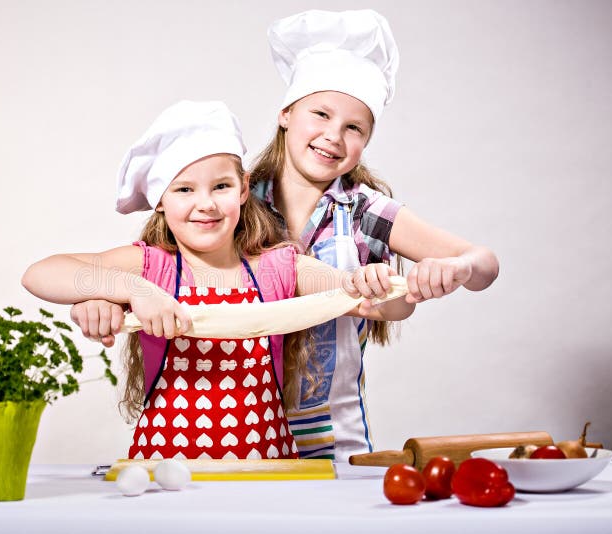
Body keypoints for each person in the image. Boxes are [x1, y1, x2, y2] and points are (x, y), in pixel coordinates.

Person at [21, 100, 413, 460]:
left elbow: (379, 306)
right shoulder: (150, 267)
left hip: (269, 472)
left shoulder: (278, 268)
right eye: (185, 189)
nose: (205, 204)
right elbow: (40, 274)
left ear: (243, 188)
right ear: (161, 199)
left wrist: (380, 282)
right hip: (166, 475)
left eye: (221, 186)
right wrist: (131, 291)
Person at [250, 10, 500, 462]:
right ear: (286, 113)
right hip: (237, 430)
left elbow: (484, 265)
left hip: (334, 441)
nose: (333, 136)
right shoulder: (236, 203)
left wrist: (457, 267)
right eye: (320, 114)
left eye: (354, 127)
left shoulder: (368, 212)